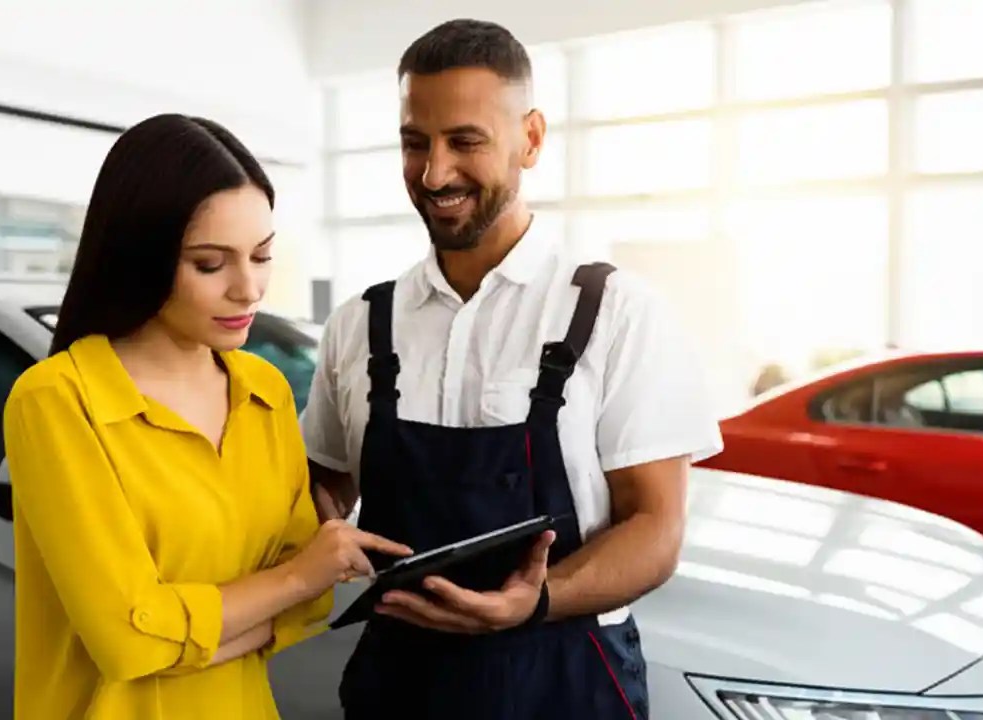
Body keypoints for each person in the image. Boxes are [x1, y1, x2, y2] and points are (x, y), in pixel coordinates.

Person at [302, 19, 723, 719]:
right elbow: (325, 488)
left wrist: (539, 600)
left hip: (563, 682)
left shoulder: (614, 311)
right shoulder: (359, 323)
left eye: (465, 141)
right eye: (415, 143)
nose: (434, 174)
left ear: (530, 138)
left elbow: (655, 527)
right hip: (399, 686)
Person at [2, 113, 411, 720]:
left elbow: (308, 613)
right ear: (142, 256)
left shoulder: (264, 392)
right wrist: (294, 579)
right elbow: (128, 642)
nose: (249, 289)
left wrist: (189, 632)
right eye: (211, 264)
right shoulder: (58, 400)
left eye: (263, 255)